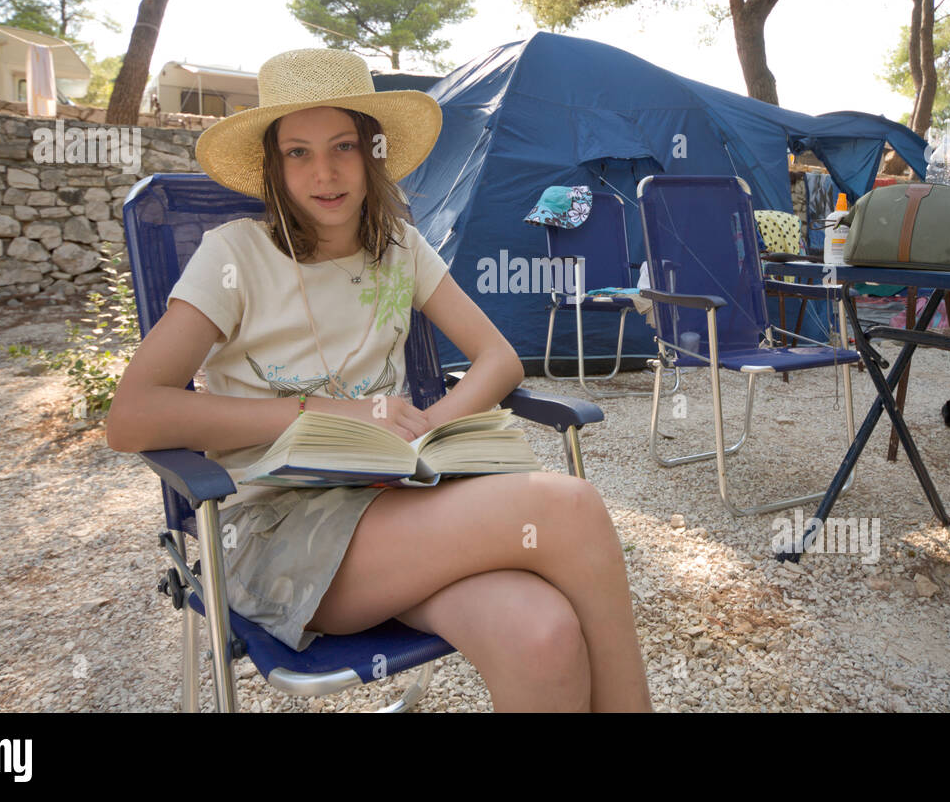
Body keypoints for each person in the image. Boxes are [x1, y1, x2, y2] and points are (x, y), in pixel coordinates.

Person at [107, 48, 652, 712]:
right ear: (274, 167)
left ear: (371, 152)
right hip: (278, 530)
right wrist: (323, 416)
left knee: (541, 634)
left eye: (343, 145)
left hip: (393, 504)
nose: (326, 171)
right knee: (569, 507)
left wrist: (429, 425)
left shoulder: (399, 249)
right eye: (298, 153)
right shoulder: (234, 256)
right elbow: (131, 415)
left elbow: (499, 359)